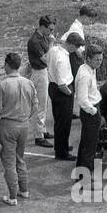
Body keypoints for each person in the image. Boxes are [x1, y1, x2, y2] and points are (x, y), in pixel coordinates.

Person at [0, 52, 38, 205]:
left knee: (8, 162)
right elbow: (35, 105)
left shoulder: (3, 84)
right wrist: (26, 118)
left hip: (8, 126)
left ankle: (12, 197)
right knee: (20, 158)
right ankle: (24, 190)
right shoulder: (28, 83)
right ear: (19, 65)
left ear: (7, 65)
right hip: (23, 125)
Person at [73, 42, 104, 176]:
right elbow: (82, 99)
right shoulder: (85, 74)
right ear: (89, 58)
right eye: (97, 60)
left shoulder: (90, 68)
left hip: (92, 108)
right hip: (90, 112)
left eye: (101, 59)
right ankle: (84, 177)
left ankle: (80, 171)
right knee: (89, 147)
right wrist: (94, 111)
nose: (99, 62)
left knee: (86, 143)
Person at [25, 15, 54, 147]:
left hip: (43, 72)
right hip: (39, 72)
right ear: (42, 27)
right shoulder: (34, 41)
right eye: (50, 29)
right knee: (40, 105)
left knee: (44, 103)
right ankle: (39, 136)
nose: (51, 33)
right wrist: (52, 44)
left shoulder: (43, 37)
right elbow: (46, 59)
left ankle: (42, 130)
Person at [46, 31, 75, 161]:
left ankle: (60, 146)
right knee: (64, 123)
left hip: (53, 86)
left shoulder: (54, 50)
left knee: (59, 121)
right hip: (62, 91)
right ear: (72, 45)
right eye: (76, 47)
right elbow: (62, 85)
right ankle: (62, 152)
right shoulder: (62, 59)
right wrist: (71, 94)